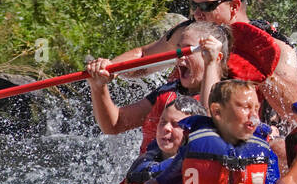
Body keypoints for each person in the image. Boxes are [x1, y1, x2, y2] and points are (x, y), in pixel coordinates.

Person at [101, 0, 297, 125]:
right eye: (194, 6)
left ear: (234, 6)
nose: (197, 14)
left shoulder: (274, 46)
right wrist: (110, 70)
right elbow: (144, 56)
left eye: (206, 7)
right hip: (187, 129)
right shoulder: (189, 33)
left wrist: (262, 75)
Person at [85, 21, 229, 153]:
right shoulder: (169, 91)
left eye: (187, 51)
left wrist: (211, 63)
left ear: (215, 56)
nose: (180, 57)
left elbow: (209, 124)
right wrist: (98, 87)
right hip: (151, 176)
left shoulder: (230, 94)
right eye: (178, 51)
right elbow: (114, 125)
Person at [133, 79, 279, 184]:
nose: (254, 117)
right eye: (246, 108)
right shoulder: (194, 147)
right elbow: (160, 183)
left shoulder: (265, 152)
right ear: (217, 112)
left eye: (256, 109)